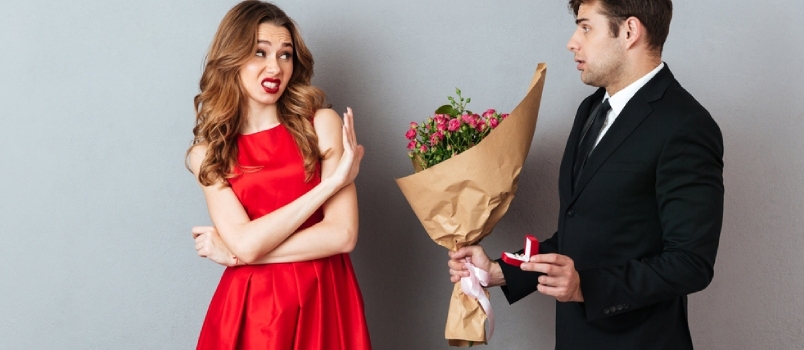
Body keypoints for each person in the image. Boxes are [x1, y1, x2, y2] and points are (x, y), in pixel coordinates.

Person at [448, 0, 724, 348]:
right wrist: (499, 272)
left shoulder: (686, 125)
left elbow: (690, 263)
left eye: (586, 27)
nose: (572, 42)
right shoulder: (591, 108)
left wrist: (585, 287)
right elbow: (582, 232)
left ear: (629, 31)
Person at [185, 1, 371, 349]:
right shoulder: (207, 154)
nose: (276, 67)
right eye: (259, 52)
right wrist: (330, 184)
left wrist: (240, 254)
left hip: (325, 298)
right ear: (232, 58)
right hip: (251, 309)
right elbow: (245, 242)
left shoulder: (321, 124)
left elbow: (343, 235)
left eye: (285, 55)